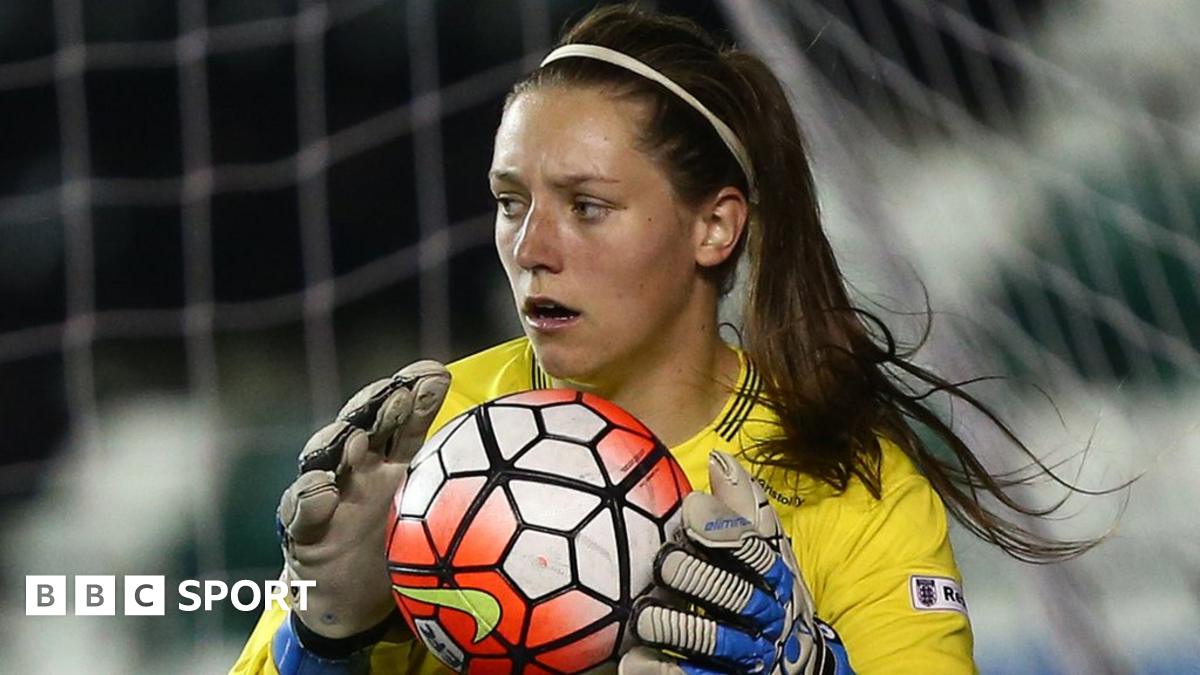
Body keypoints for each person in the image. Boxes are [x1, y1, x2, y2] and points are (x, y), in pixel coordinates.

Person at [232, 5, 1097, 674]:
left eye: (588, 206)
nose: (531, 248)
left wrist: (805, 664)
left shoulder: (845, 477)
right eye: (509, 202)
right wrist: (324, 634)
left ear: (715, 228)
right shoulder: (424, 438)